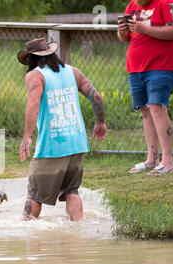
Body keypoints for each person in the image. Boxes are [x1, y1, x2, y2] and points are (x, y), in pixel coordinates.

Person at [17, 38, 107, 221]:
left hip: (51, 147)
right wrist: (100, 122)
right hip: (77, 143)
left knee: (34, 195)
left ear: (31, 59)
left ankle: (27, 232)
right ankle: (77, 231)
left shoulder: (35, 75)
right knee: (72, 191)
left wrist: (27, 137)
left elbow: (33, 105)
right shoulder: (73, 72)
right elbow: (96, 97)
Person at [117, 0, 173, 175]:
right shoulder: (132, 5)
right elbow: (125, 38)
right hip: (136, 66)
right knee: (146, 111)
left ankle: (168, 160)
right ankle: (152, 159)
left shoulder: (167, 2)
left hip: (161, 65)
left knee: (157, 107)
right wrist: (122, 31)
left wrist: (145, 29)